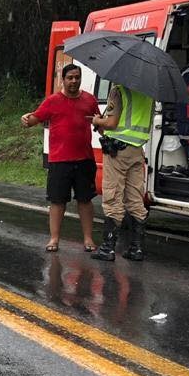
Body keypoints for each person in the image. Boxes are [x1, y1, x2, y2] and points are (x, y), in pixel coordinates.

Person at [20, 63, 99, 252]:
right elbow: (33, 120)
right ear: (63, 80)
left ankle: (88, 239)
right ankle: (54, 239)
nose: (74, 81)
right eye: (70, 78)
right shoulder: (52, 101)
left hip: (84, 159)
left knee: (85, 200)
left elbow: (100, 122)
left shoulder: (89, 100)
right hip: (59, 160)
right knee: (57, 201)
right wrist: (25, 119)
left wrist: (105, 125)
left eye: (77, 77)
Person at [90, 82, 155, 261]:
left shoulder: (120, 91)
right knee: (135, 198)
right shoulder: (149, 93)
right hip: (137, 150)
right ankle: (137, 248)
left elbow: (111, 123)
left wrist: (97, 121)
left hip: (117, 151)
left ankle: (108, 248)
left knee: (113, 196)